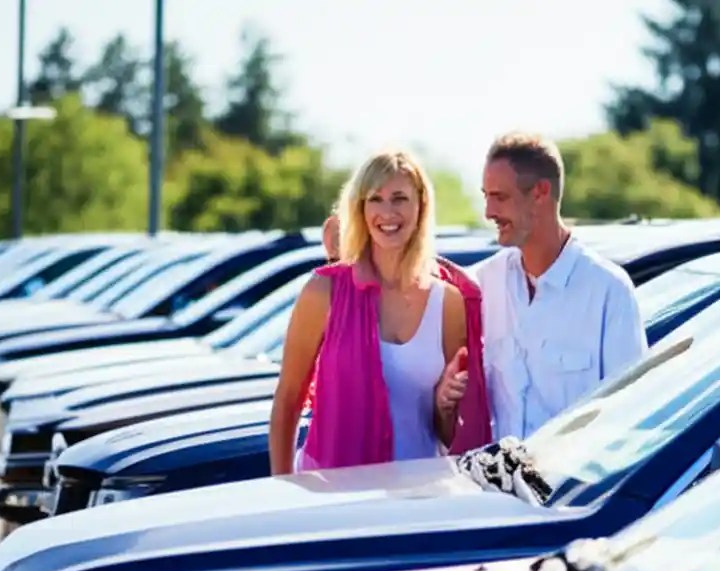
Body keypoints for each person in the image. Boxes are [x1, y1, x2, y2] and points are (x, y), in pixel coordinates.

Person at [269, 149, 492, 473]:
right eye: (376, 199)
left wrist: (444, 406)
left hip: (420, 493)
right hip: (332, 491)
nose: (388, 212)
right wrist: (281, 487)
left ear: (421, 206)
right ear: (360, 208)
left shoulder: (449, 302)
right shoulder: (323, 291)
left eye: (400, 198)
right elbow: (288, 399)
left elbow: (447, 432)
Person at [436, 132, 647, 443]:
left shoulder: (609, 292)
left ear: (540, 193)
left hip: (572, 489)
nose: (488, 212)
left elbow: (629, 419)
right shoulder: (482, 284)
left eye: (500, 197)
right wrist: (444, 396)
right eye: (486, 196)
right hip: (495, 488)